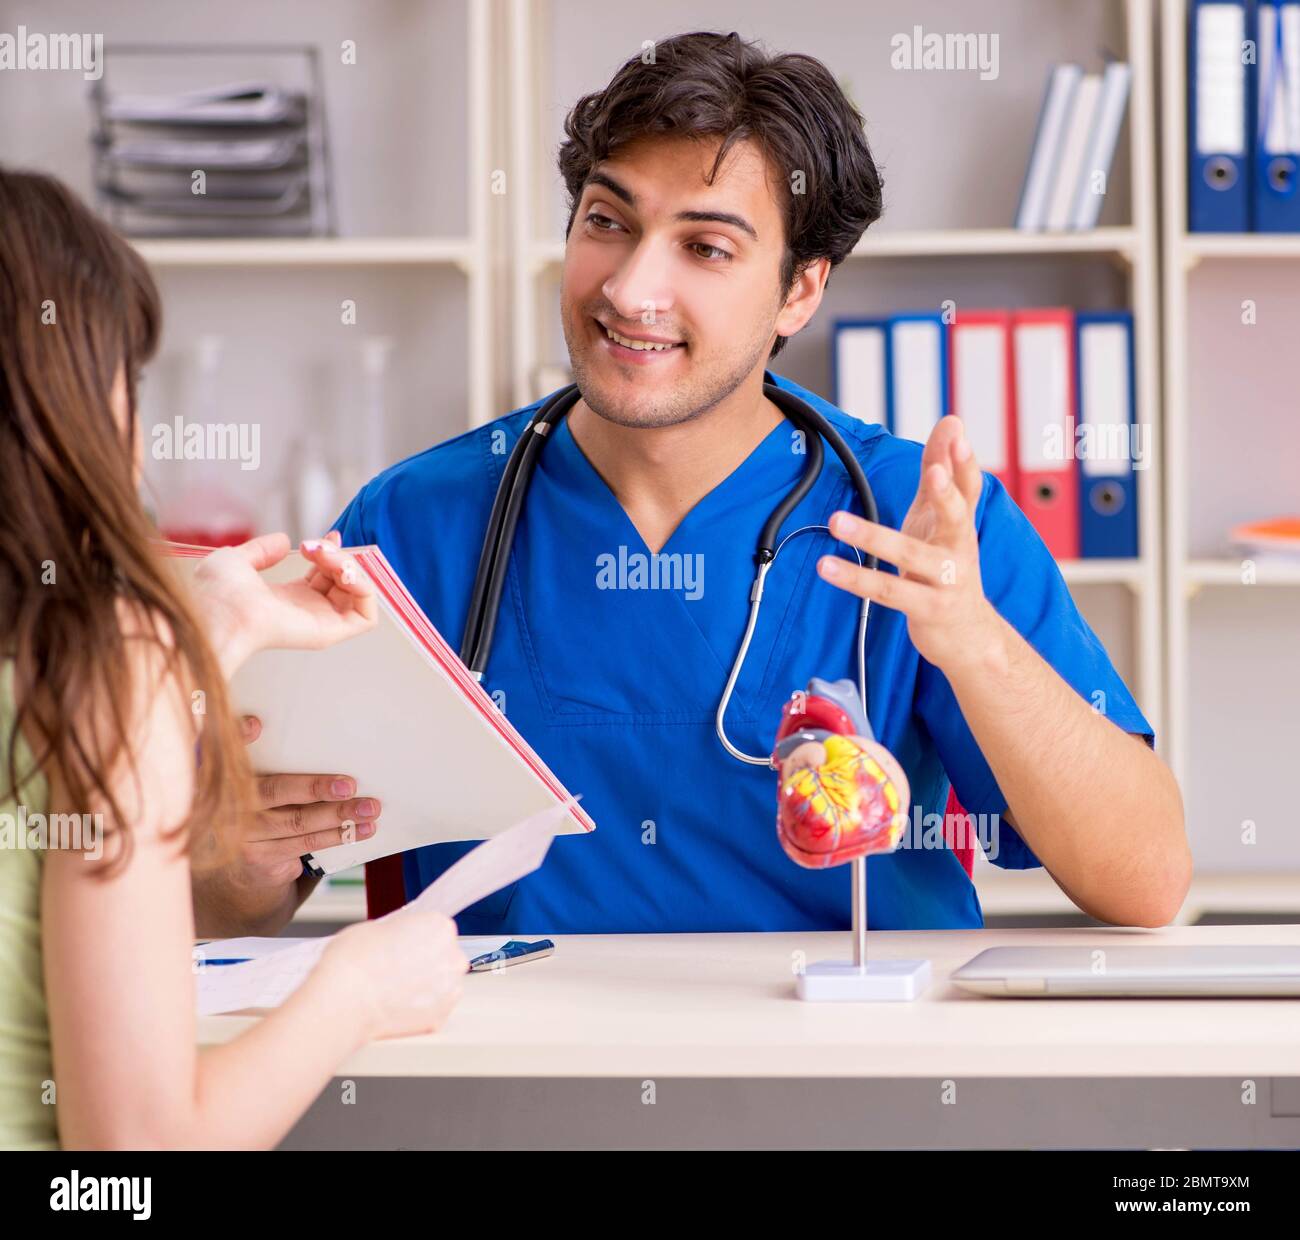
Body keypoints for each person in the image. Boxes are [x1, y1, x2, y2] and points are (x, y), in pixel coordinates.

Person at [211, 31, 1190, 938]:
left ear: (799, 289)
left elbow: (1145, 881)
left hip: (846, 1090)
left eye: (705, 247)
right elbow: (231, 908)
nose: (630, 288)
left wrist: (975, 644)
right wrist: (249, 852)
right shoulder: (415, 522)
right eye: (607, 221)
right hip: (513, 1091)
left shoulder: (915, 525)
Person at [0, 167, 467, 1150]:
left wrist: (192, 640)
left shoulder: (115, 664)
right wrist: (357, 988)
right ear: (68, 403)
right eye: (128, 378)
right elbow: (138, 1156)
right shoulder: (106, 669)